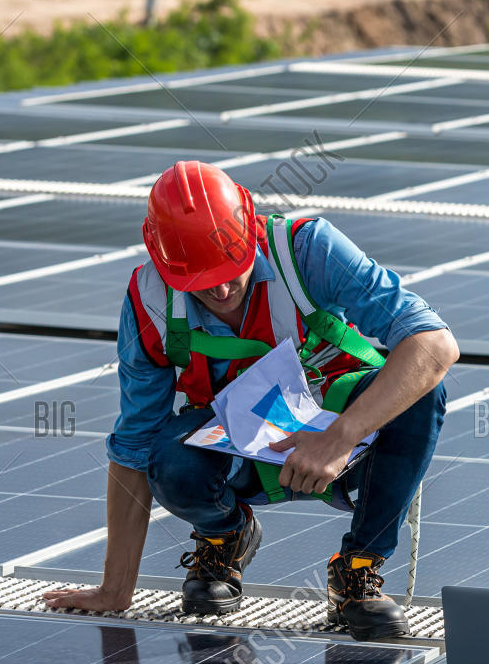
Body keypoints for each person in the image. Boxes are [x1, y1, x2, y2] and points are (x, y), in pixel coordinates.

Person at [43, 161, 457, 640]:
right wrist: (115, 589)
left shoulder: (306, 250)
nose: (221, 289)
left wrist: (340, 436)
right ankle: (224, 536)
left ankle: (357, 571)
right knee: (167, 458)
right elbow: (133, 445)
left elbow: (435, 344)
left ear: (249, 228)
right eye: (200, 279)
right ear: (162, 261)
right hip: (238, 448)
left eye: (230, 269)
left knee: (422, 393)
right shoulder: (150, 303)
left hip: (345, 443)